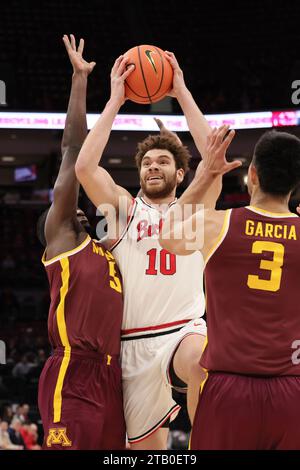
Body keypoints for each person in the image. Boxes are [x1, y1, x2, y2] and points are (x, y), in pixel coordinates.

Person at [75, 51, 221, 449]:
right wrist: (115, 101)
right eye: (147, 163)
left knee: (206, 367)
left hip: (184, 329)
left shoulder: (193, 210)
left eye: (163, 161)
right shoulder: (124, 210)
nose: (153, 167)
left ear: (180, 173)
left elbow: (212, 159)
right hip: (132, 345)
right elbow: (85, 168)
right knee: (144, 452)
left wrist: (181, 90)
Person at [160, 126, 300, 449]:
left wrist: (206, 175)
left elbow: (167, 234)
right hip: (291, 392)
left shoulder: (217, 224)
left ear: (252, 174)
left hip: (229, 390)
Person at [36, 34, 125, 450]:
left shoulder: (102, 250)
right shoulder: (64, 242)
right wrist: (80, 80)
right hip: (73, 373)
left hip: (111, 375)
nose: (79, 209)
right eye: (68, 210)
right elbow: (72, 150)